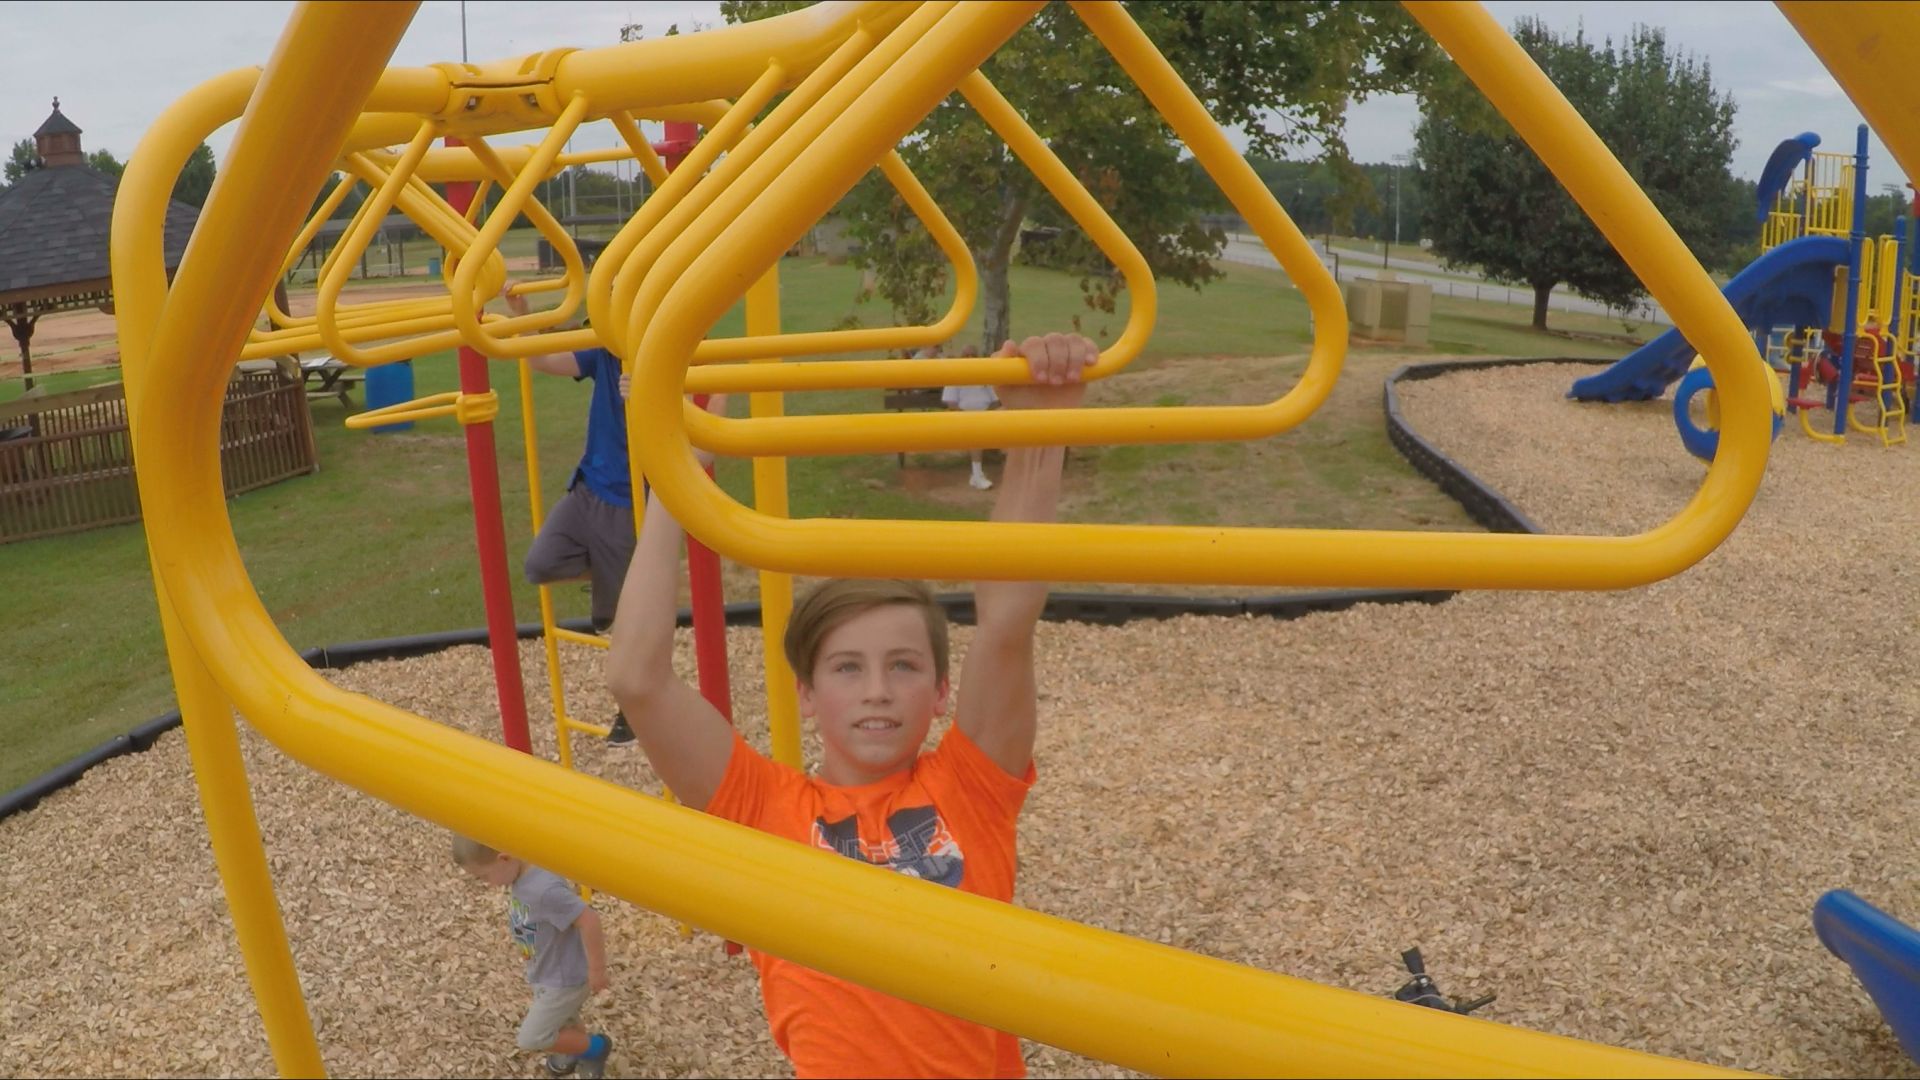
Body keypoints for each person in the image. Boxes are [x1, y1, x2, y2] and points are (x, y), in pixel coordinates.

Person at [607, 333, 1094, 1079]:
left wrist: (1043, 427)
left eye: (903, 666)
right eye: (847, 668)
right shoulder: (763, 809)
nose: (876, 689)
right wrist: (682, 472)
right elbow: (637, 678)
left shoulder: (968, 788)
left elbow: (1006, 621)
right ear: (806, 694)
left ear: (939, 695)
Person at [504, 287, 640, 745]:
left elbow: (689, 433)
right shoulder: (603, 352)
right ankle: (607, 571)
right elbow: (542, 360)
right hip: (587, 491)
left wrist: (644, 394)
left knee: (627, 622)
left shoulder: (661, 354)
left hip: (629, 503)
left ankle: (634, 712)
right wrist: (523, 318)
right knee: (540, 564)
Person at [452, 836, 615, 1079]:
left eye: (484, 877)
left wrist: (597, 969)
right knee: (564, 1021)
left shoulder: (543, 891)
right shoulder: (524, 873)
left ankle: (595, 1049)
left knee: (533, 1038)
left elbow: (589, 919)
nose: (486, 884)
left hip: (563, 980)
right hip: (546, 971)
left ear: (504, 858)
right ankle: (575, 1049)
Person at [921, 342, 1001, 490]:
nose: (970, 358)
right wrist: (968, 416)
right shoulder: (956, 375)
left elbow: (995, 401)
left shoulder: (984, 376)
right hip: (963, 417)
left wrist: (986, 414)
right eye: (966, 355)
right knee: (975, 433)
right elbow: (951, 403)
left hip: (985, 416)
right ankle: (977, 476)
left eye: (973, 355)